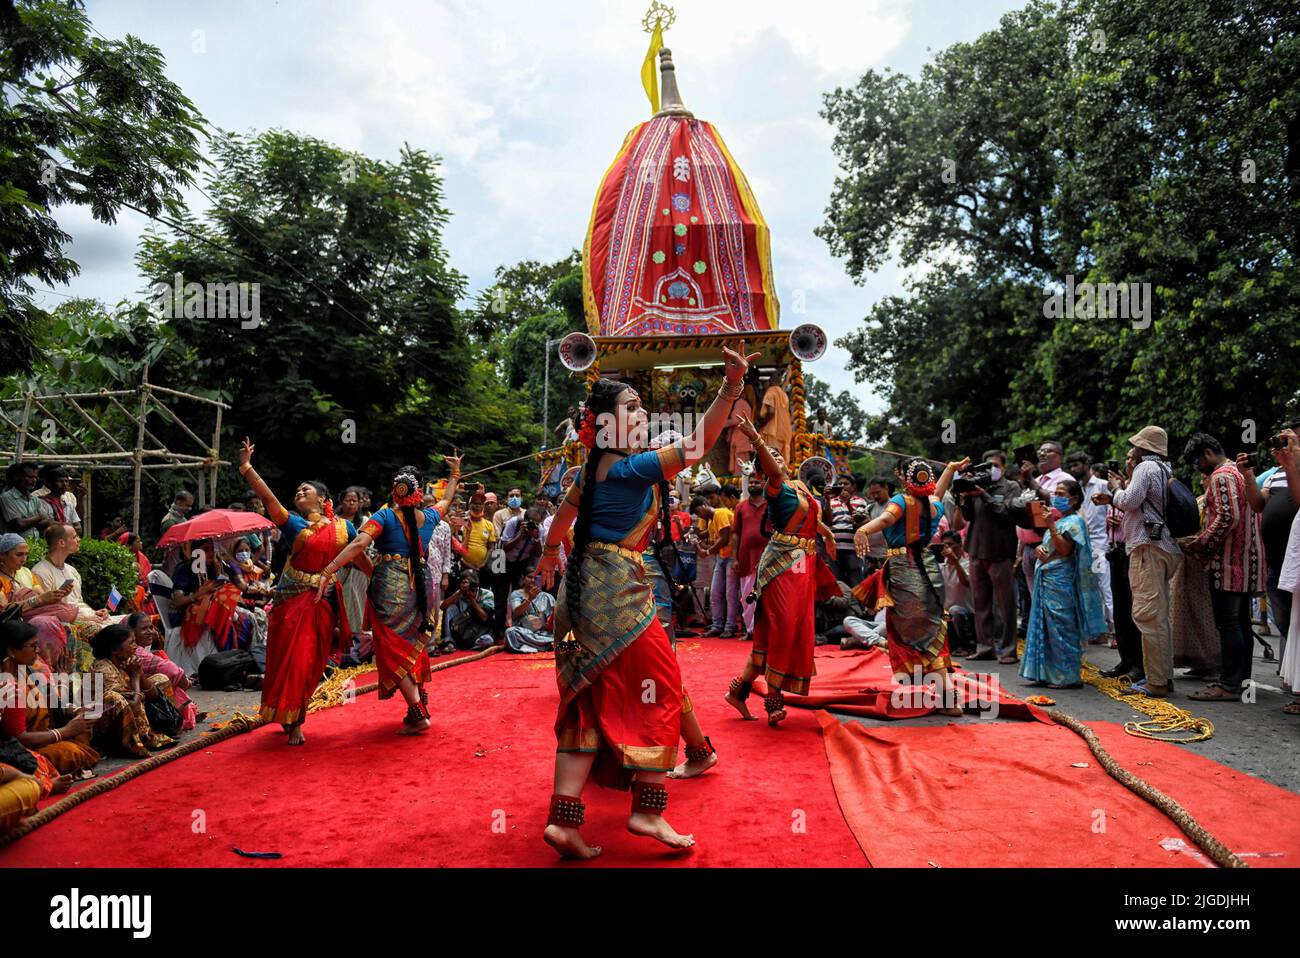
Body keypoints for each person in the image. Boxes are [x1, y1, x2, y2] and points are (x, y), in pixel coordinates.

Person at [534, 341, 757, 859]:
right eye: (632, 405)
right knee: (662, 683)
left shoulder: (589, 471)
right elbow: (700, 446)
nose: (642, 412)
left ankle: (564, 821)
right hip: (618, 592)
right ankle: (648, 810)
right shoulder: (632, 469)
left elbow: (565, 517)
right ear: (606, 423)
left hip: (580, 593)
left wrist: (549, 555)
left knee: (587, 698)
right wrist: (731, 386)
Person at [319, 459, 462, 733]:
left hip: (390, 586)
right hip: (422, 585)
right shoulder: (431, 517)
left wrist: (329, 569)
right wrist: (454, 474)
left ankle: (419, 714)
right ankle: (417, 706)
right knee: (413, 644)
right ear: (419, 492)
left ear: (395, 490)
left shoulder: (384, 516)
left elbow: (360, 543)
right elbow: (446, 499)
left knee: (392, 648)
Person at [238, 438, 356, 746]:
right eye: (298, 490)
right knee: (293, 660)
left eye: (306, 490)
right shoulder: (295, 525)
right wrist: (247, 467)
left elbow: (360, 556)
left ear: (322, 499)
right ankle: (294, 721)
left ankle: (293, 712)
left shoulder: (345, 529)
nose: (299, 493)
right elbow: (269, 498)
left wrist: (385, 576)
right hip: (291, 603)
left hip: (323, 602)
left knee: (312, 663)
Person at [725, 419, 837, 727]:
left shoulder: (798, 488)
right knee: (783, 626)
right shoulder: (775, 487)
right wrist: (755, 439)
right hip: (781, 565)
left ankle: (738, 692)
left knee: (786, 629)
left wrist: (826, 534)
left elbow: (813, 517)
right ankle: (774, 699)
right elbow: (773, 470)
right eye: (768, 458)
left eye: (778, 456)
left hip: (804, 565)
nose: (776, 461)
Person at [854, 456, 971, 714]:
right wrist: (949, 469)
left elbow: (885, 521)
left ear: (903, 479)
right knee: (930, 630)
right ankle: (946, 695)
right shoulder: (932, 506)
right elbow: (937, 493)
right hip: (928, 568)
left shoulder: (900, 502)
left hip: (904, 571)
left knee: (914, 633)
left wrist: (863, 530)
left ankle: (944, 695)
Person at [1181, 433, 1266, 703]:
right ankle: (1240, 680)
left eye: (1196, 461)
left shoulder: (1221, 476)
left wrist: (1201, 544)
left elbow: (1228, 517)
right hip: (1246, 560)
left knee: (1229, 624)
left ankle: (1228, 685)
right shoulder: (1239, 473)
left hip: (1229, 563)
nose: (1196, 467)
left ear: (1207, 453)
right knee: (1239, 622)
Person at [1108, 426, 1181, 699]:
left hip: (1147, 547)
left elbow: (1130, 501)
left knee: (1148, 615)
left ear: (1143, 448)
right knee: (1158, 616)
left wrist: (1116, 489)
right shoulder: (1165, 469)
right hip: (1165, 546)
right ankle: (1163, 676)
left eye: (1136, 446)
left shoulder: (1145, 468)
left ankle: (1157, 681)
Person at [1020, 479, 1108, 688]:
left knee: (1062, 626)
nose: (1056, 498)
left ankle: (1067, 676)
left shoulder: (1075, 522)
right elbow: (1049, 547)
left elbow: (1065, 550)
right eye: (1056, 493)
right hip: (1048, 578)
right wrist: (1039, 550)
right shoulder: (1060, 521)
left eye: (1061, 494)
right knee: (1048, 626)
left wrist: (1050, 525)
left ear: (1074, 499)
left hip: (1061, 580)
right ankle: (1047, 673)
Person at [0, 620, 99, 775]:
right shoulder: (6, 686)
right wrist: (64, 732)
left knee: (82, 732)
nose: (38, 651)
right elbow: (19, 738)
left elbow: (53, 702)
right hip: (21, 750)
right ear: (12, 651)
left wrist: (76, 712)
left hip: (44, 734)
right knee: (71, 753)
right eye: (33, 646)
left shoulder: (30, 670)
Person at [1238, 422, 1299, 659]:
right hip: (1277, 561)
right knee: (1285, 621)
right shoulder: (1276, 474)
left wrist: (1292, 464)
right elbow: (1258, 504)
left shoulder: (1293, 469)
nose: (1290, 443)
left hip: (1296, 559)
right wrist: (1249, 477)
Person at [958, 450, 1021, 664]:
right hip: (976, 550)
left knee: (1005, 605)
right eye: (986, 466)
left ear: (1002, 467)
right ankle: (984, 647)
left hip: (1000, 552)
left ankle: (1008, 650)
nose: (989, 470)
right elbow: (968, 517)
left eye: (994, 465)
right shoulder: (976, 485)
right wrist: (965, 497)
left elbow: (1007, 514)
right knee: (980, 603)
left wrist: (983, 495)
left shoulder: (1011, 487)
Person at [0, 532, 76, 663]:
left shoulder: (26, 572)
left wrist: (57, 595)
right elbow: (4, 611)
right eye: (19, 554)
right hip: (13, 625)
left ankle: (62, 669)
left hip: (32, 615)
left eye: (26, 554)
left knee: (60, 623)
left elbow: (41, 597)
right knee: (44, 623)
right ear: (2, 556)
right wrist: (39, 600)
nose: (24, 559)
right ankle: (50, 668)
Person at [126, 612, 200, 730]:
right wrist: (136, 675)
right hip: (120, 711)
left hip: (102, 709)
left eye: (151, 627)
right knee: (163, 679)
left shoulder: (93, 668)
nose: (151, 631)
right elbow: (173, 671)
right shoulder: (135, 654)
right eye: (144, 628)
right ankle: (174, 718)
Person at [1066, 450, 1113, 636]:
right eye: (1070, 466)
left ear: (1086, 464)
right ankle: (1097, 631)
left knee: (1104, 587)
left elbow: (1114, 509)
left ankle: (1114, 631)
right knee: (1086, 588)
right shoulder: (1076, 488)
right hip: (1081, 544)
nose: (1073, 469)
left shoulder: (1102, 485)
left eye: (1076, 464)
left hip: (1100, 542)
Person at [731, 470, 769, 637]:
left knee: (768, 596)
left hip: (768, 557)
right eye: (751, 482)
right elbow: (735, 533)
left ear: (764, 484)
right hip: (746, 557)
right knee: (747, 596)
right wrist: (735, 558)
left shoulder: (771, 504)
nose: (753, 484)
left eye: (757, 482)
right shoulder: (741, 507)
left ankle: (765, 631)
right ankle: (751, 630)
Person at [699, 485, 739, 638]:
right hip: (721, 557)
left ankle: (729, 626)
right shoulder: (711, 518)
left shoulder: (721, 512)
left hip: (729, 557)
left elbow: (724, 538)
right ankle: (717, 625)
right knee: (716, 593)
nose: (699, 515)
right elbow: (709, 537)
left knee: (730, 594)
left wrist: (708, 551)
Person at [940, 530, 976, 656]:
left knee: (954, 610)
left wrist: (955, 561)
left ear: (960, 545)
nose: (948, 548)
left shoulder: (969, 564)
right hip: (947, 617)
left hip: (967, 616)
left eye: (950, 545)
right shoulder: (940, 567)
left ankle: (968, 646)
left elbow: (966, 582)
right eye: (944, 546)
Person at [505, 564, 556, 653]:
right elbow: (517, 611)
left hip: (543, 634)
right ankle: (544, 645)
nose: (533, 580)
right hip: (524, 633)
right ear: (523, 578)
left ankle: (530, 646)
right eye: (530, 577)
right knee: (510, 632)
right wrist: (529, 599)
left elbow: (553, 621)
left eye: (536, 578)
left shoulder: (546, 597)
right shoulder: (516, 594)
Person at [441, 568, 495, 651]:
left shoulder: (487, 594)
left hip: (480, 631)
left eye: (470, 582)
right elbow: (442, 607)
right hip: (463, 629)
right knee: (451, 608)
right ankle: (450, 642)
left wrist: (472, 600)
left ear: (476, 584)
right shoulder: (461, 592)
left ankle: (467, 646)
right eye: (464, 582)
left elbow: (484, 618)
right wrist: (459, 593)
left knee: (488, 641)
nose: (467, 586)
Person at [1, 462, 54, 541]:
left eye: (35, 477)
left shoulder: (34, 498)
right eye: (30, 477)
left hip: (35, 545)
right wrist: (39, 517)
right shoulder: (7, 497)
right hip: (15, 548)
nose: (34, 480)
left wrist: (28, 521)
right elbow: (18, 525)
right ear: (17, 477)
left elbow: (47, 522)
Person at [755, 368, 793, 463]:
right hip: (785, 433)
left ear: (771, 380)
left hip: (772, 432)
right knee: (782, 462)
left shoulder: (771, 391)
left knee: (772, 461)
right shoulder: (784, 394)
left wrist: (763, 424)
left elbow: (771, 412)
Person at [35, 466, 82, 536]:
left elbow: (78, 528)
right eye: (60, 481)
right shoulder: (40, 503)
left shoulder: (68, 504)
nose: (64, 484)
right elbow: (39, 524)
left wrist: (54, 523)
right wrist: (67, 525)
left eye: (66, 481)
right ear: (49, 483)